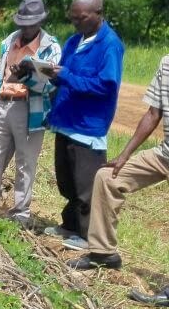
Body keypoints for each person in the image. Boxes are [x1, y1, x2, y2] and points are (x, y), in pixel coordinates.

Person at [0, 0, 61, 225]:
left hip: (30, 109)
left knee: (26, 164)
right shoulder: (9, 41)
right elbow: (1, 78)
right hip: (5, 104)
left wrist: (25, 74)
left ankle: (20, 213)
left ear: (41, 21)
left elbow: (50, 85)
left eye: (32, 23)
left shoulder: (51, 48)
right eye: (23, 23)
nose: (27, 28)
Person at [68, 53, 168, 272]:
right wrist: (124, 156)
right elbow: (153, 115)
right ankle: (103, 253)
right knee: (107, 178)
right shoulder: (166, 63)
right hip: (164, 155)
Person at [43, 0, 124, 250]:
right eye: (73, 18)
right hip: (66, 121)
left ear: (98, 14)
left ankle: (88, 234)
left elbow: (105, 86)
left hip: (87, 126)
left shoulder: (109, 44)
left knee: (86, 185)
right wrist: (48, 73)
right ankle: (69, 225)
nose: (75, 22)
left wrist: (66, 76)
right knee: (66, 180)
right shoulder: (74, 41)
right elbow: (63, 76)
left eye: (81, 18)